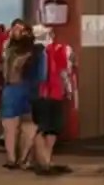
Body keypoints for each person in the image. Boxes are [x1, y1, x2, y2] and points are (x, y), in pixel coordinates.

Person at [31, 24, 76, 176]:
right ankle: (44, 161)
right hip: (53, 92)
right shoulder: (60, 49)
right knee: (47, 128)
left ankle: (45, 160)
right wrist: (69, 90)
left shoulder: (30, 51)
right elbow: (65, 71)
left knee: (46, 128)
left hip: (38, 93)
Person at [0, 29, 41, 169]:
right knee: (28, 125)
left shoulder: (10, 53)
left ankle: (11, 159)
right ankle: (24, 158)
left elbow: (7, 73)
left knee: (10, 128)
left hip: (12, 90)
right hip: (30, 90)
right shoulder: (36, 54)